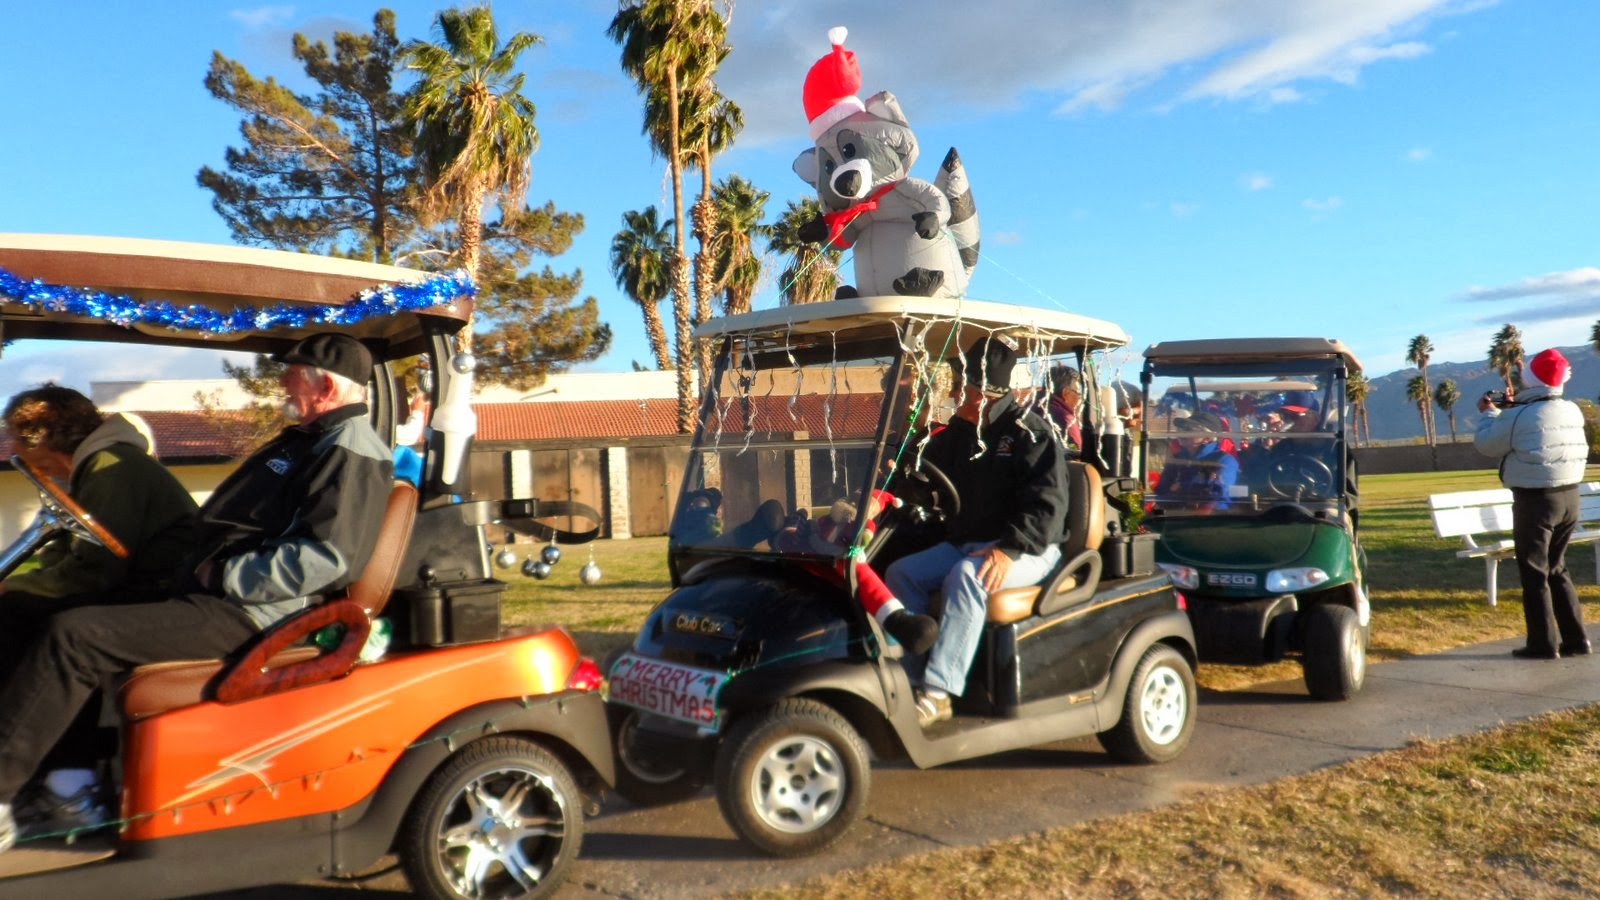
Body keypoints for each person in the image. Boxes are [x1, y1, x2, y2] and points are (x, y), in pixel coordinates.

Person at [0, 333, 394, 853]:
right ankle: (68, 786)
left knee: (74, 635)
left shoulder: (349, 451)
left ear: (323, 384)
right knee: (61, 616)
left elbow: (329, 557)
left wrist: (226, 575)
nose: (282, 382)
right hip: (219, 597)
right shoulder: (308, 440)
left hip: (254, 614)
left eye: (291, 374)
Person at [0, 386, 200, 837]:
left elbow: (96, 570)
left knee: (36, 624)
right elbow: (73, 555)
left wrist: (14, 585)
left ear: (46, 441)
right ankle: (62, 778)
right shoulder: (100, 465)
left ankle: (67, 783)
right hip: (142, 586)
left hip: (159, 595)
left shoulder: (112, 469)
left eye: (31, 452)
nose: (29, 463)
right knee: (31, 615)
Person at [886, 336, 1068, 727]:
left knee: (967, 577)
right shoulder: (960, 434)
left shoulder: (1029, 433)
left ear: (983, 393)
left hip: (1027, 548)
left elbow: (1048, 505)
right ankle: (909, 678)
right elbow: (922, 471)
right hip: (968, 542)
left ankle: (939, 693)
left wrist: (1010, 550)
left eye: (960, 387)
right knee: (901, 573)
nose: (952, 393)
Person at [1473, 348, 1590, 660]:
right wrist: (1512, 408)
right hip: (1569, 496)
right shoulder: (1571, 410)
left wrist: (1489, 413)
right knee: (1558, 568)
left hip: (1536, 499)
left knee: (1534, 572)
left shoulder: (1519, 415)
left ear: (1532, 380)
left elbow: (1488, 444)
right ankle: (1577, 639)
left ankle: (1542, 643)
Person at [1156, 411, 1239, 511]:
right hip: (1175, 517)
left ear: (1207, 438)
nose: (1182, 433)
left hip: (1213, 520)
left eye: (1189, 430)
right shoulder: (1177, 460)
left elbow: (1218, 496)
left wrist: (1180, 487)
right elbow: (1161, 494)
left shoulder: (1225, 461)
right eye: (1181, 429)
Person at [1044, 364, 1083, 456]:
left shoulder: (1029, 409)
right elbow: (1076, 452)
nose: (1080, 398)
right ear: (1065, 393)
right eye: (1078, 393)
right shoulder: (1066, 419)